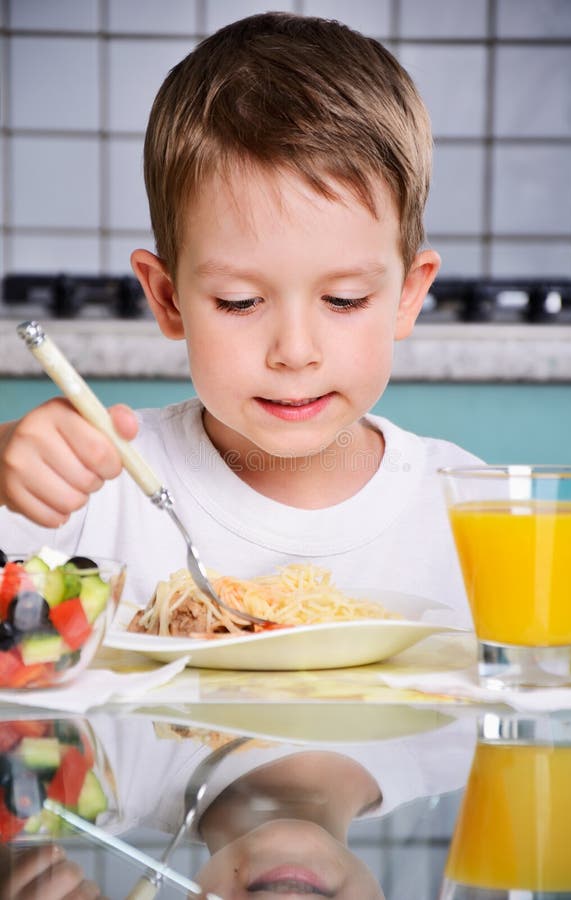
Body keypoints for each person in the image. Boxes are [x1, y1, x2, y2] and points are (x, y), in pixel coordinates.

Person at [0, 12, 478, 617]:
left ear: (408, 296)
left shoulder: (474, 506)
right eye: (240, 302)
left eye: (345, 300)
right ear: (169, 298)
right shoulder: (99, 489)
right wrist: (8, 465)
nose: (295, 350)